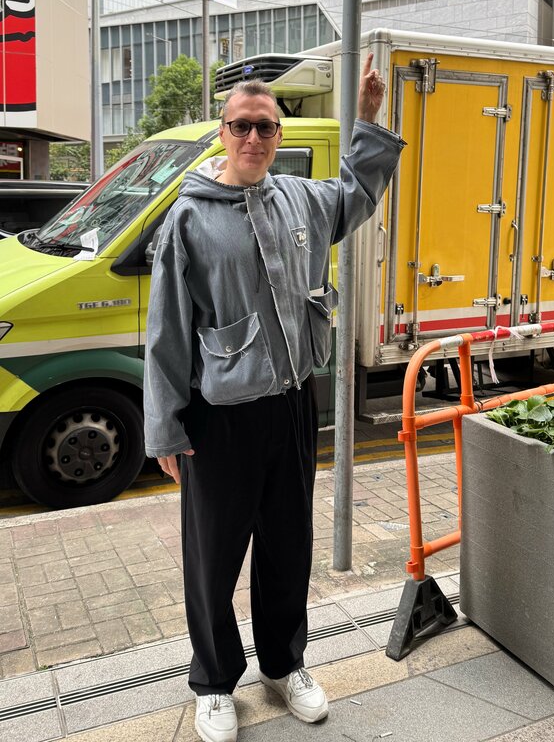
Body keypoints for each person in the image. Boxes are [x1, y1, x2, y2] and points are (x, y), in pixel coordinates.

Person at [143, 53, 405, 742]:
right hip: (218, 415)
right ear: (222, 134)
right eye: (240, 127)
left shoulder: (302, 201)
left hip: (291, 401)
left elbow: (357, 194)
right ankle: (213, 682)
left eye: (265, 127)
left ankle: (284, 666)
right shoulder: (188, 220)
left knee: (289, 543)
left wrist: (368, 121)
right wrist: (164, 428)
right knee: (214, 554)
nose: (253, 139)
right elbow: (166, 328)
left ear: (279, 136)